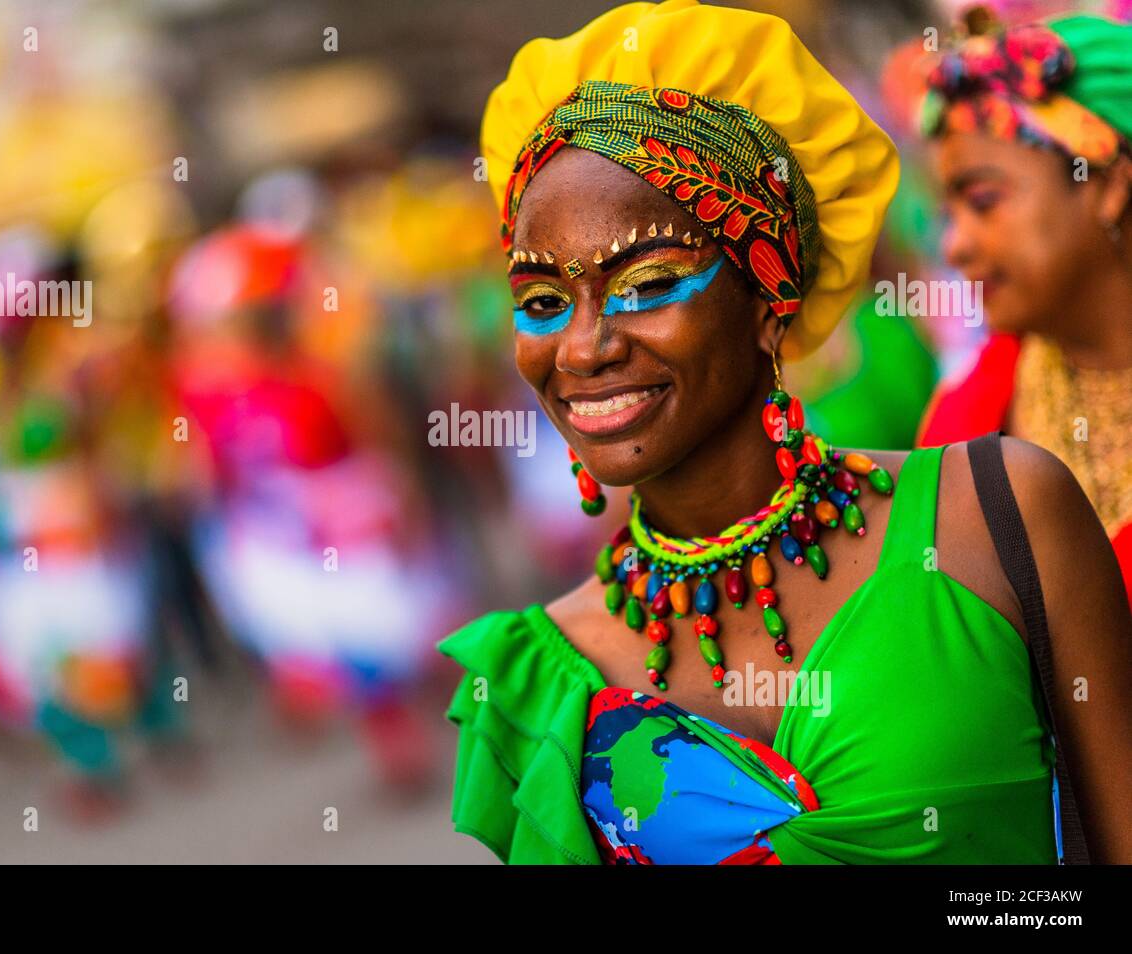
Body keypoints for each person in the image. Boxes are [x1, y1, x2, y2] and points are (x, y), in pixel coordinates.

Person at [437, 0, 1132, 864]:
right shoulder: (540, 691)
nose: (584, 346)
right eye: (543, 302)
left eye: (648, 281)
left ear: (772, 299)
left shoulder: (995, 516)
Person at [914, 12, 1132, 609]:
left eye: (984, 200)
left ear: (1108, 184)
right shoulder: (964, 422)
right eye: (950, 212)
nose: (955, 246)